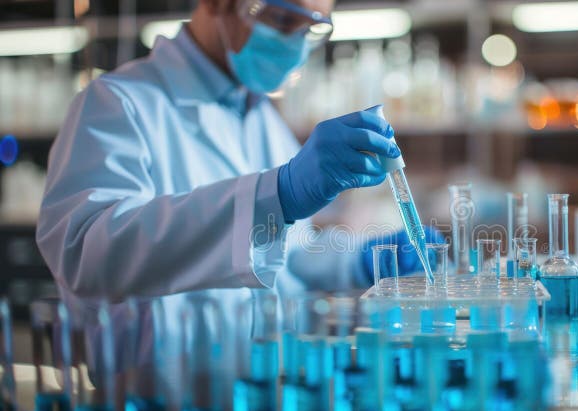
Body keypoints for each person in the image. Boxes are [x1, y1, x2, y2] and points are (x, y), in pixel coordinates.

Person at [35, 0, 442, 373]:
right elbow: (84, 252)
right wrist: (276, 195)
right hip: (159, 404)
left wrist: (355, 263)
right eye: (283, 19)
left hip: (258, 398)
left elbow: (287, 253)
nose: (294, 44)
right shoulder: (118, 104)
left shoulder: (260, 118)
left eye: (310, 29)